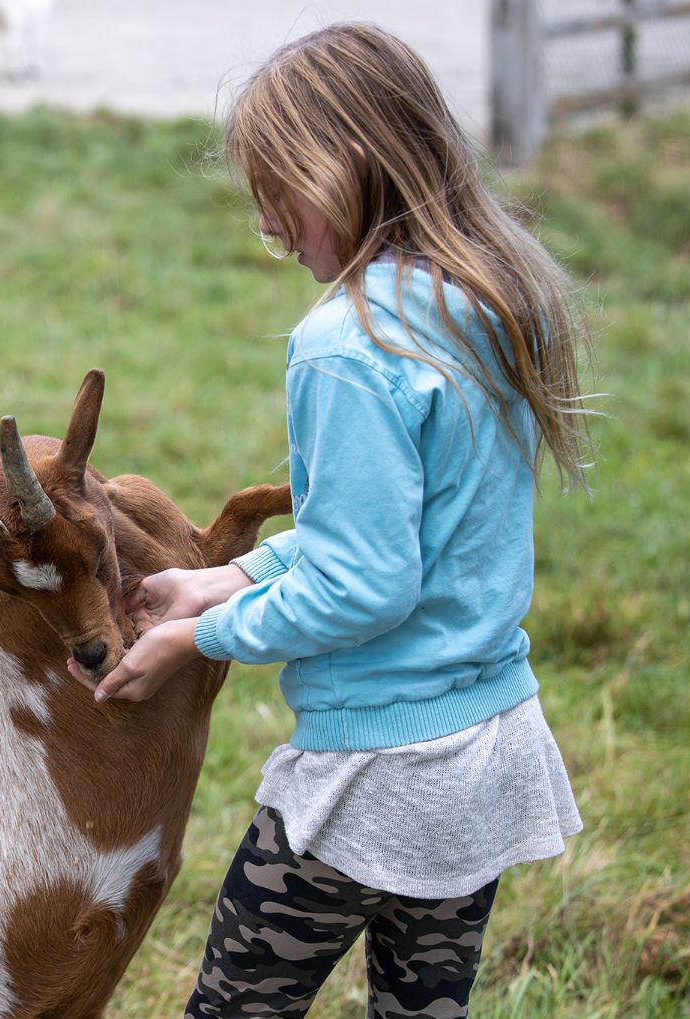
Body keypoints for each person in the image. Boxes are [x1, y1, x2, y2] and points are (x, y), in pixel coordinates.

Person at [85, 23, 591, 1019]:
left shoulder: (346, 345)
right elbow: (398, 537)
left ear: (349, 162)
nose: (269, 225)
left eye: (279, 190)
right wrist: (228, 577)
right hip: (484, 749)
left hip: (375, 774)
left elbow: (364, 584)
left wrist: (197, 637)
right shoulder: (489, 296)